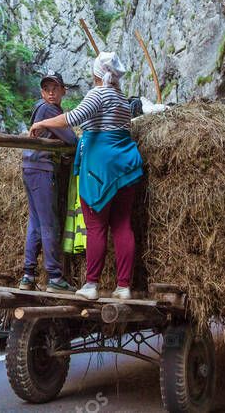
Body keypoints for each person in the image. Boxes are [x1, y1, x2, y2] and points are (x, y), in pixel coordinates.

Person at [29, 52, 144, 300]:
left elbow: (72, 119)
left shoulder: (98, 93)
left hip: (100, 166)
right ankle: (123, 286)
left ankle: (91, 285)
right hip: (126, 164)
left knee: (96, 226)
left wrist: (42, 124)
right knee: (123, 225)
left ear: (96, 72)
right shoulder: (121, 98)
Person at [20, 71, 78, 293]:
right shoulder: (49, 110)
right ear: (42, 92)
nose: (51, 92)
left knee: (35, 222)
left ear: (63, 90)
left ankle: (28, 275)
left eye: (55, 88)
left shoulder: (39, 107)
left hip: (30, 168)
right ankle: (54, 277)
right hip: (42, 169)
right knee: (49, 222)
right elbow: (72, 139)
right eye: (46, 89)